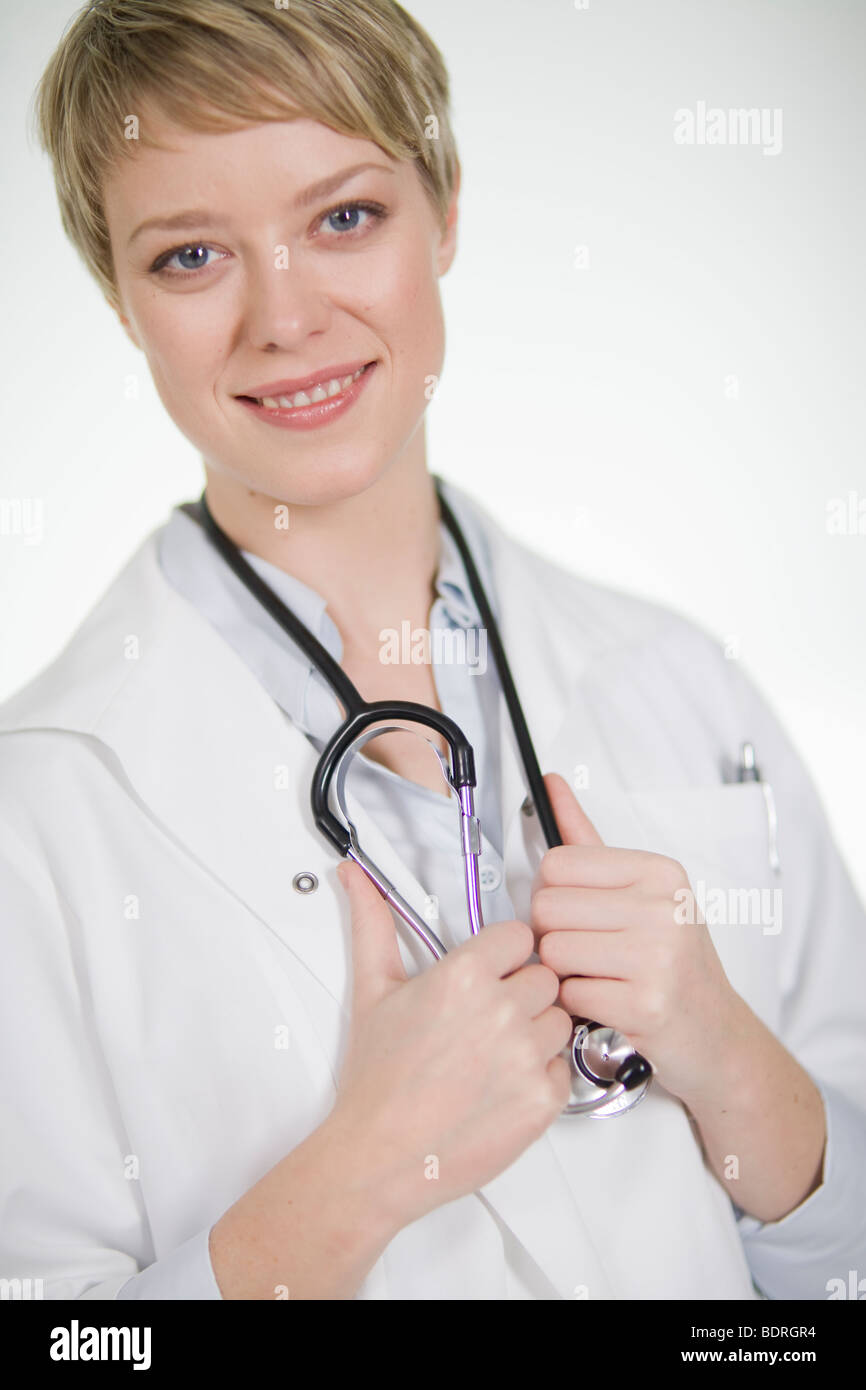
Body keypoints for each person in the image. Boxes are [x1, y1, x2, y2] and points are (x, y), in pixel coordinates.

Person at [1, 0, 863, 1302]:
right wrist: (356, 1176)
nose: (283, 318)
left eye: (343, 216)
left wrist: (723, 1048)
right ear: (117, 297)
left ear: (444, 208)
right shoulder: (42, 809)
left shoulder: (675, 680)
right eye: (190, 256)